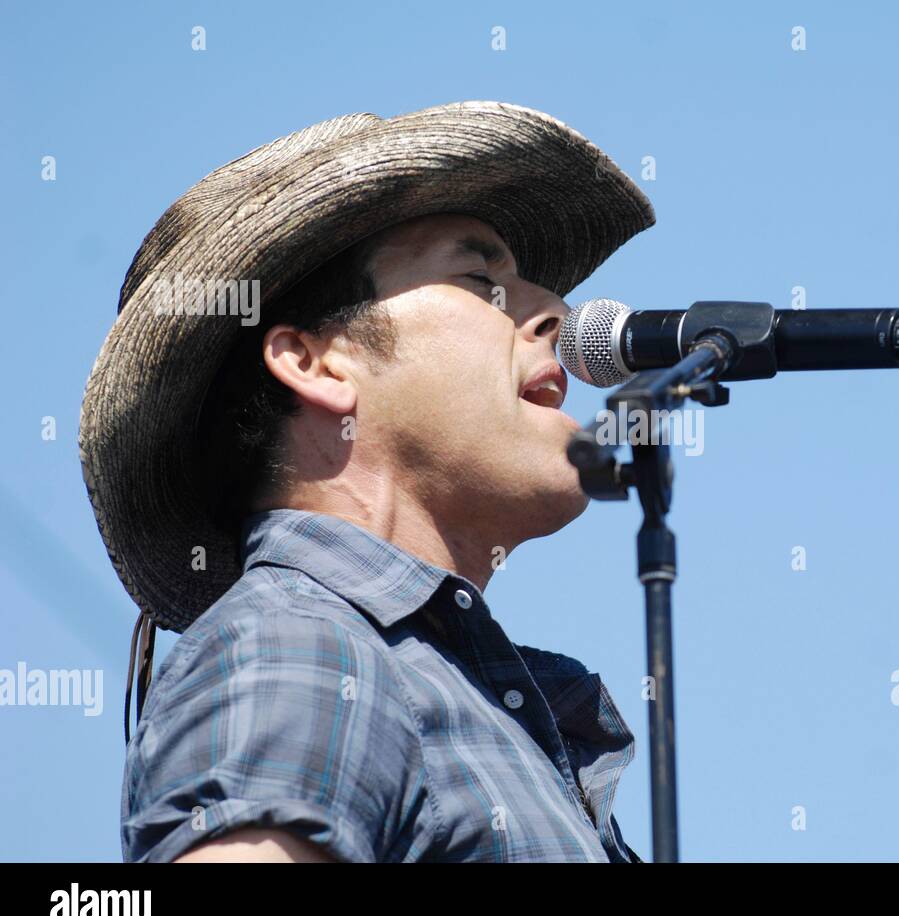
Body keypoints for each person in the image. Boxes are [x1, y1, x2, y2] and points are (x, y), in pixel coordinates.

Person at [78, 101, 656, 862]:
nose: (554, 310)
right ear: (313, 363)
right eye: (481, 277)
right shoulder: (307, 644)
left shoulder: (451, 690)